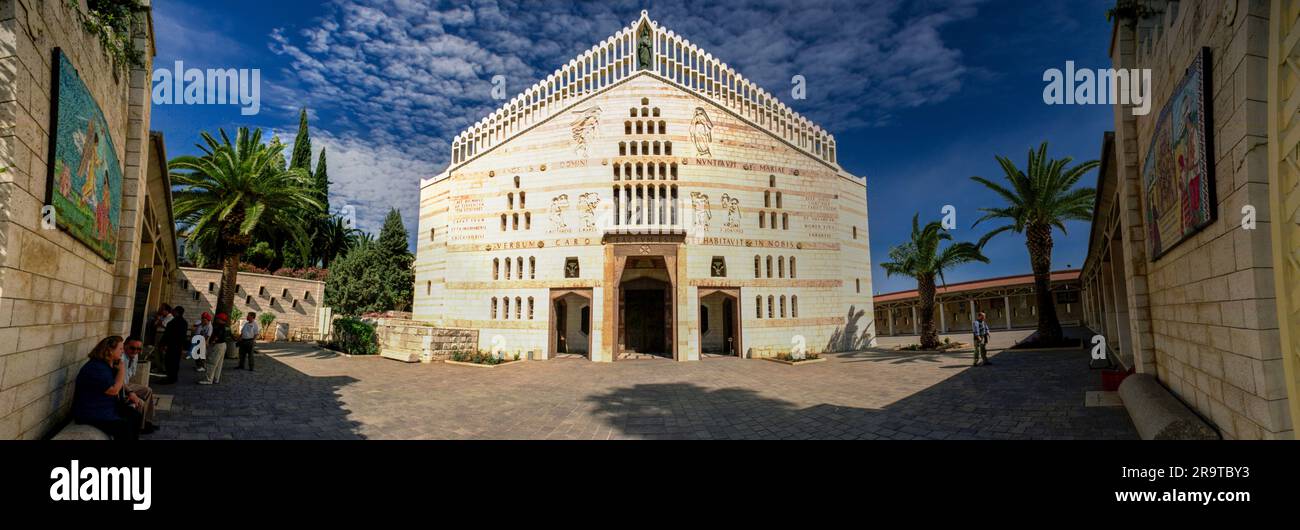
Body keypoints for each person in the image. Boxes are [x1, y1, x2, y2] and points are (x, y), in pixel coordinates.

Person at [71, 336, 143, 440]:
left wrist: (129, 393)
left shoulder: (105, 364)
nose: (123, 351)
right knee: (124, 427)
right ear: (110, 351)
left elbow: (116, 385)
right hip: (92, 412)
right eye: (120, 349)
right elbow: (113, 390)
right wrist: (122, 369)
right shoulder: (96, 368)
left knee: (135, 416)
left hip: (105, 406)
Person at [121, 336, 159, 434]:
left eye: (138, 349)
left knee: (148, 390)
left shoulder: (135, 356)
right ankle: (141, 427)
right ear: (125, 346)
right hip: (121, 385)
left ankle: (147, 421)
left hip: (126, 383)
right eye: (132, 348)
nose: (135, 351)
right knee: (140, 402)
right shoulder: (121, 358)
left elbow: (131, 374)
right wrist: (130, 392)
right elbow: (119, 381)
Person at [200, 313, 233, 385]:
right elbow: (230, 336)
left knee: (211, 362)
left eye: (218, 318)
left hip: (218, 345)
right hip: (223, 345)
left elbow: (217, 336)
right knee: (218, 364)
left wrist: (212, 342)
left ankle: (208, 379)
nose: (217, 319)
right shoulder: (227, 327)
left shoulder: (219, 327)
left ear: (221, 319)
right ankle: (216, 378)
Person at [160, 306, 189, 384]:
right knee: (175, 362)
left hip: (171, 345)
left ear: (177, 312)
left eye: (174, 311)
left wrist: (163, 344)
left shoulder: (173, 322)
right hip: (179, 346)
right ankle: (174, 377)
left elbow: (167, 334)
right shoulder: (184, 323)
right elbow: (184, 336)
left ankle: (170, 378)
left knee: (169, 361)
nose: (172, 312)